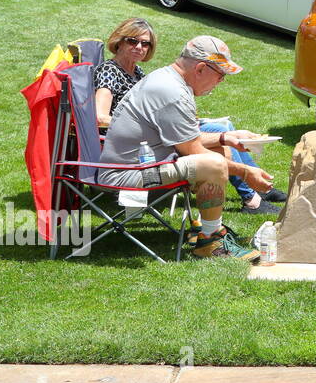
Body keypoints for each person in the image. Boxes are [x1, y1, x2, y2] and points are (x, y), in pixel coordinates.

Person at [99, 36, 273, 260]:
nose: (221, 81)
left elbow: (184, 139)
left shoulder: (169, 79)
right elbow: (194, 151)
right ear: (201, 68)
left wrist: (226, 137)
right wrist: (246, 171)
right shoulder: (172, 92)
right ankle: (210, 242)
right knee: (213, 163)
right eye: (220, 75)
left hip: (143, 165)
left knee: (221, 151)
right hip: (126, 175)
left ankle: (204, 229)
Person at [94, 18, 157, 127]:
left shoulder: (138, 72)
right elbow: (100, 117)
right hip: (113, 139)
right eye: (132, 41)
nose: (139, 47)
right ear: (119, 42)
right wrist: (141, 126)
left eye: (145, 43)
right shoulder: (109, 71)